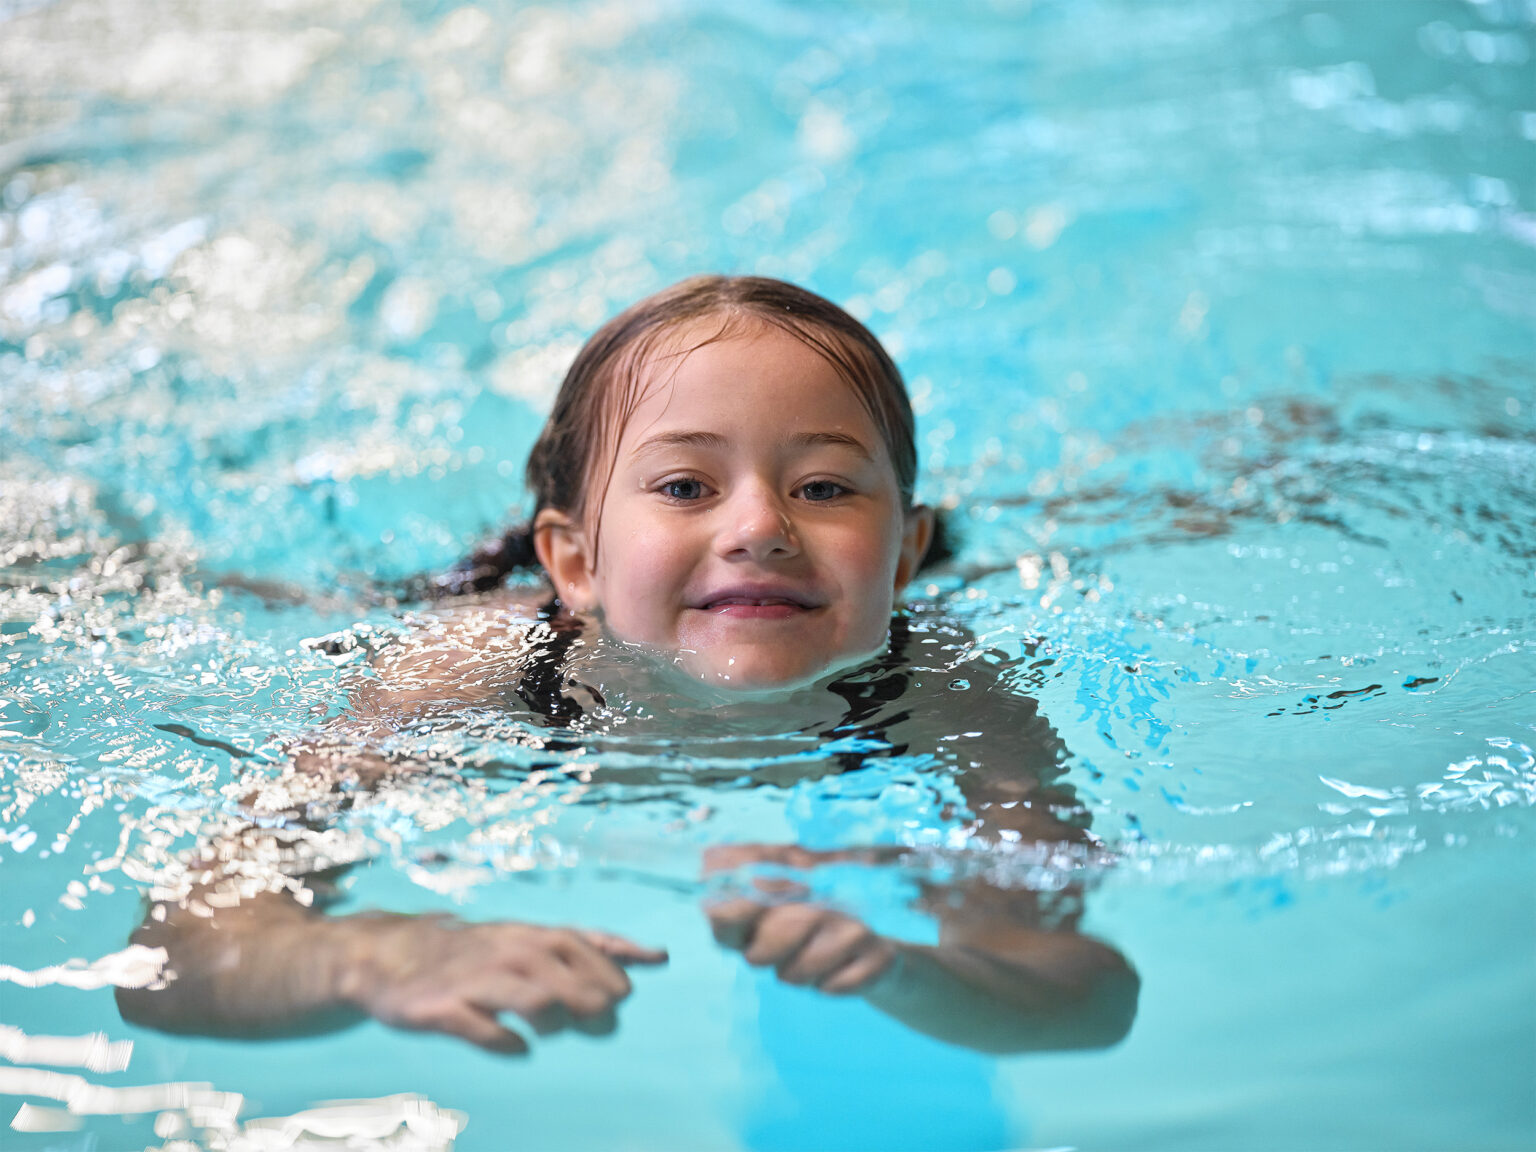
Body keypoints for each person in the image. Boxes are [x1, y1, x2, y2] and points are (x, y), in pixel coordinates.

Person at [118, 276, 1137, 1055]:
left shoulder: (947, 690)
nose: (760, 527)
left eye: (824, 487)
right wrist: (374, 955)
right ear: (572, 560)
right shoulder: (465, 673)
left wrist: (911, 972)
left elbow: (1084, 992)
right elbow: (175, 955)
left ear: (909, 554)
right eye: (687, 484)